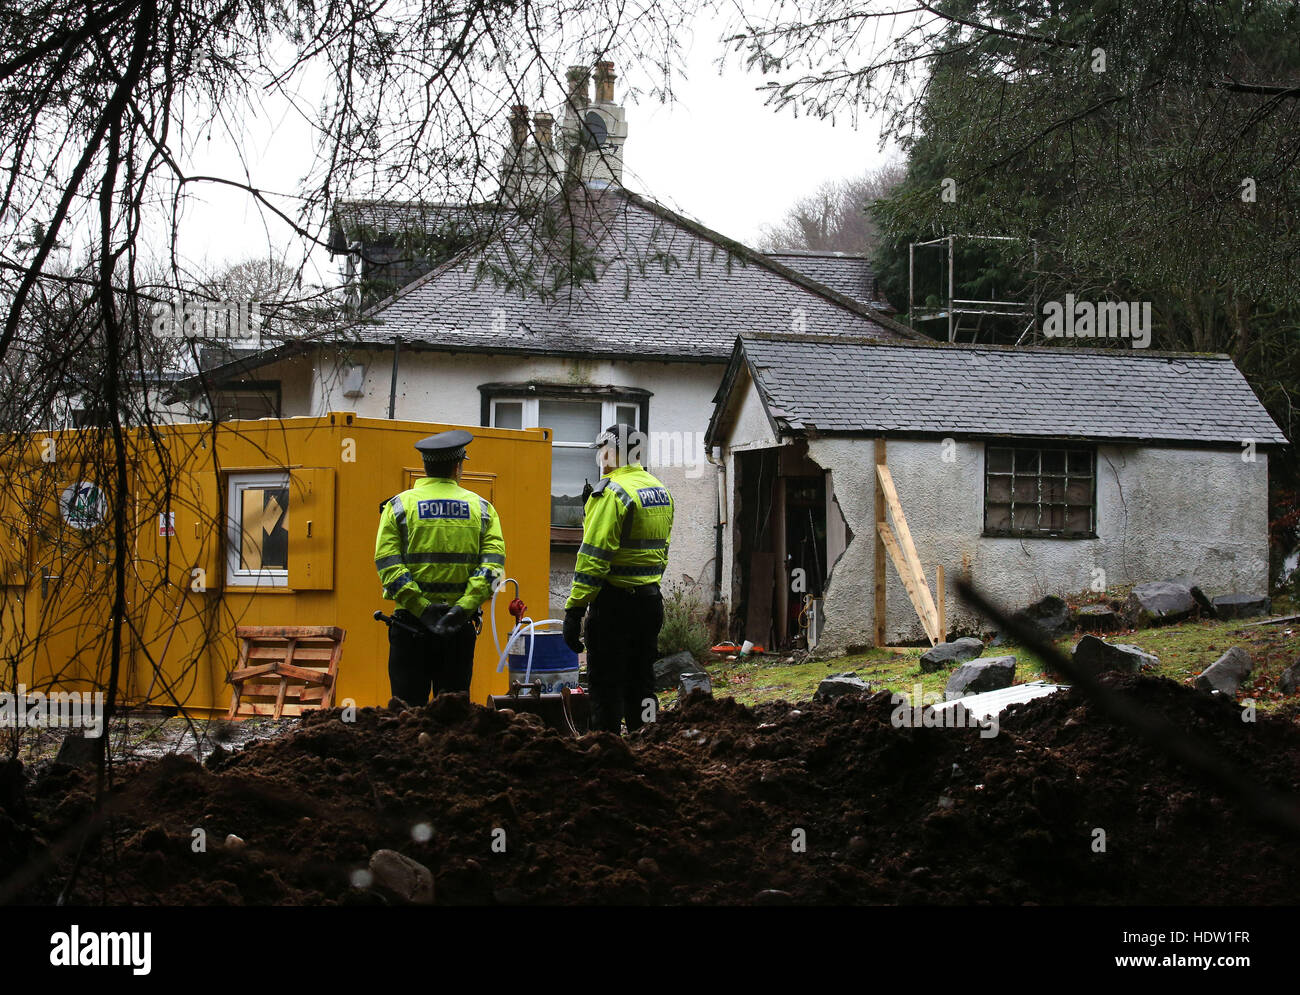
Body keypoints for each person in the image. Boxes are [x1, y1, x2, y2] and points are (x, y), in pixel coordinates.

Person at [374, 429, 505, 705]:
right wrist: (463, 609)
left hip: (410, 627)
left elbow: (388, 566)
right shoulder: (482, 509)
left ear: (425, 466)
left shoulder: (398, 506)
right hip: (457, 628)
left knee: (406, 716)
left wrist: (422, 609)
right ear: (458, 466)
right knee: (453, 721)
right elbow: (493, 569)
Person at [563, 423, 674, 734]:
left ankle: (607, 760)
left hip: (613, 607)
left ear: (612, 452)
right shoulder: (659, 491)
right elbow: (660, 552)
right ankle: (649, 746)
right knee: (642, 682)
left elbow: (592, 559)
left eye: (601, 450)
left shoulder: (610, 493)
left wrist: (574, 610)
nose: (600, 457)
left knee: (605, 690)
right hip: (650, 601)